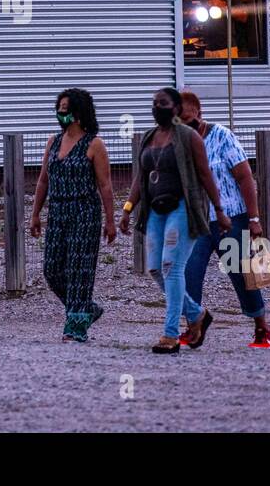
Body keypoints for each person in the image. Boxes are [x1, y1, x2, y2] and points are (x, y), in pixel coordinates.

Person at [120, 87, 230, 353]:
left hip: (182, 207)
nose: (158, 107)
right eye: (155, 103)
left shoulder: (189, 137)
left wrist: (219, 209)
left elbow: (205, 176)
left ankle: (170, 334)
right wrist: (127, 208)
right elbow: (141, 176)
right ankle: (197, 315)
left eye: (164, 103)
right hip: (155, 209)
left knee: (172, 266)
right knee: (156, 268)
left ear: (177, 107)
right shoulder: (149, 137)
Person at [178, 90, 270, 349]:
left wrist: (254, 218)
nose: (185, 124)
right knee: (189, 273)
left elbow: (245, 177)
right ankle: (194, 327)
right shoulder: (179, 143)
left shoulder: (222, 136)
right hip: (197, 222)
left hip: (231, 218)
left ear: (199, 113)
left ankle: (262, 327)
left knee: (241, 273)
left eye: (189, 119)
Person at [30, 88, 117, 342]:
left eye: (66, 109)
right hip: (58, 211)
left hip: (84, 212)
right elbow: (43, 181)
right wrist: (35, 213)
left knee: (80, 268)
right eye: (59, 108)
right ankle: (86, 309)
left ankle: (76, 325)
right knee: (52, 268)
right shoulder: (53, 142)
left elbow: (105, 185)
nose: (61, 113)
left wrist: (110, 220)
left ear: (78, 113)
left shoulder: (94, 144)